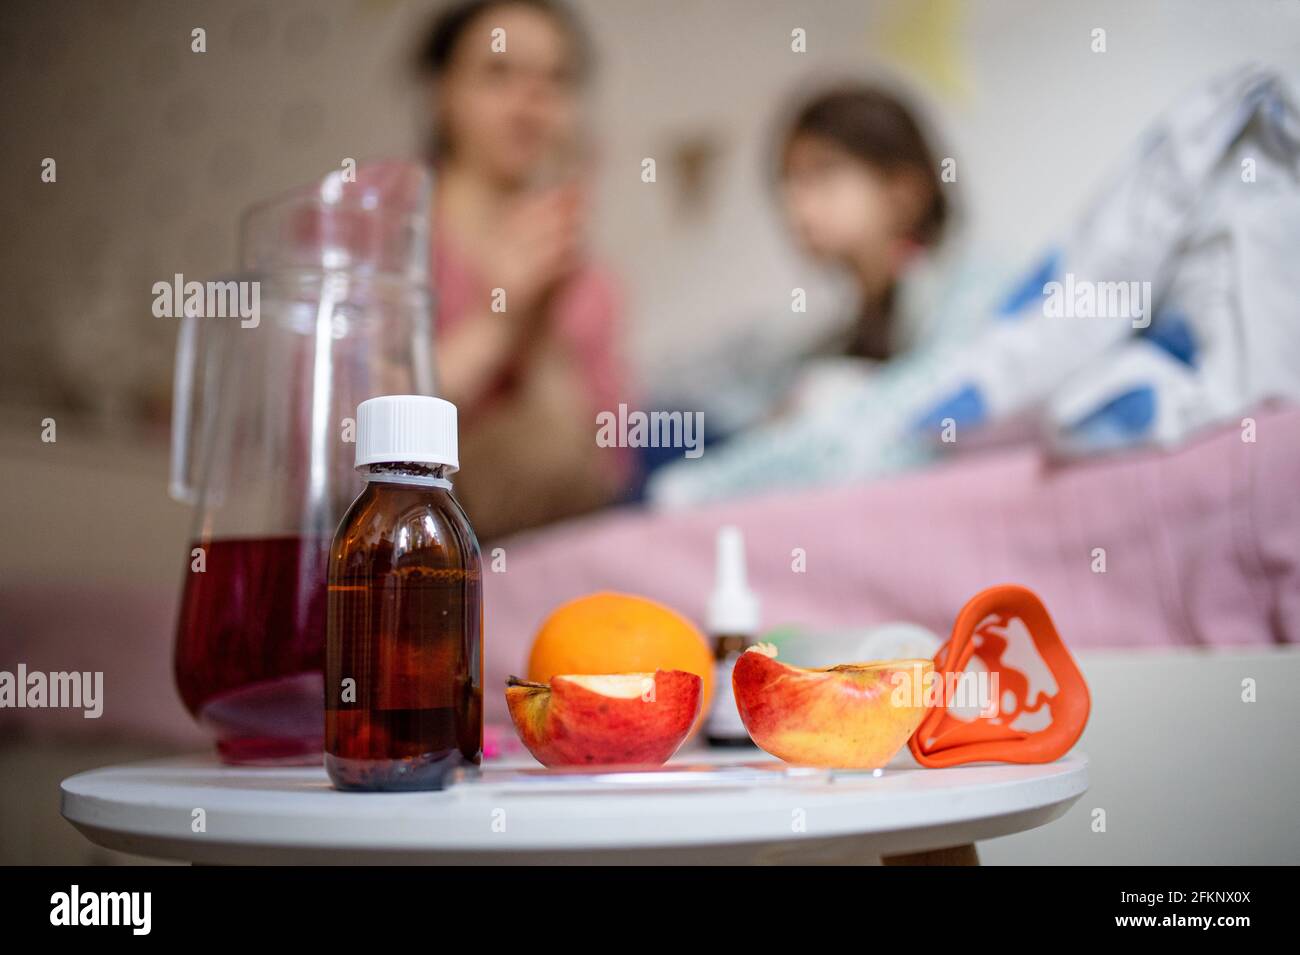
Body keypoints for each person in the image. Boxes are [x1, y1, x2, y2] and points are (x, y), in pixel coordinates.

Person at [415, 0, 630, 539]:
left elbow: (597, 477)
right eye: (499, 72)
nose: (531, 99)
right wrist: (498, 322)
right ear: (443, 93)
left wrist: (541, 318)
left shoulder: (588, 284)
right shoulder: (382, 228)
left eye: (555, 79)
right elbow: (344, 438)